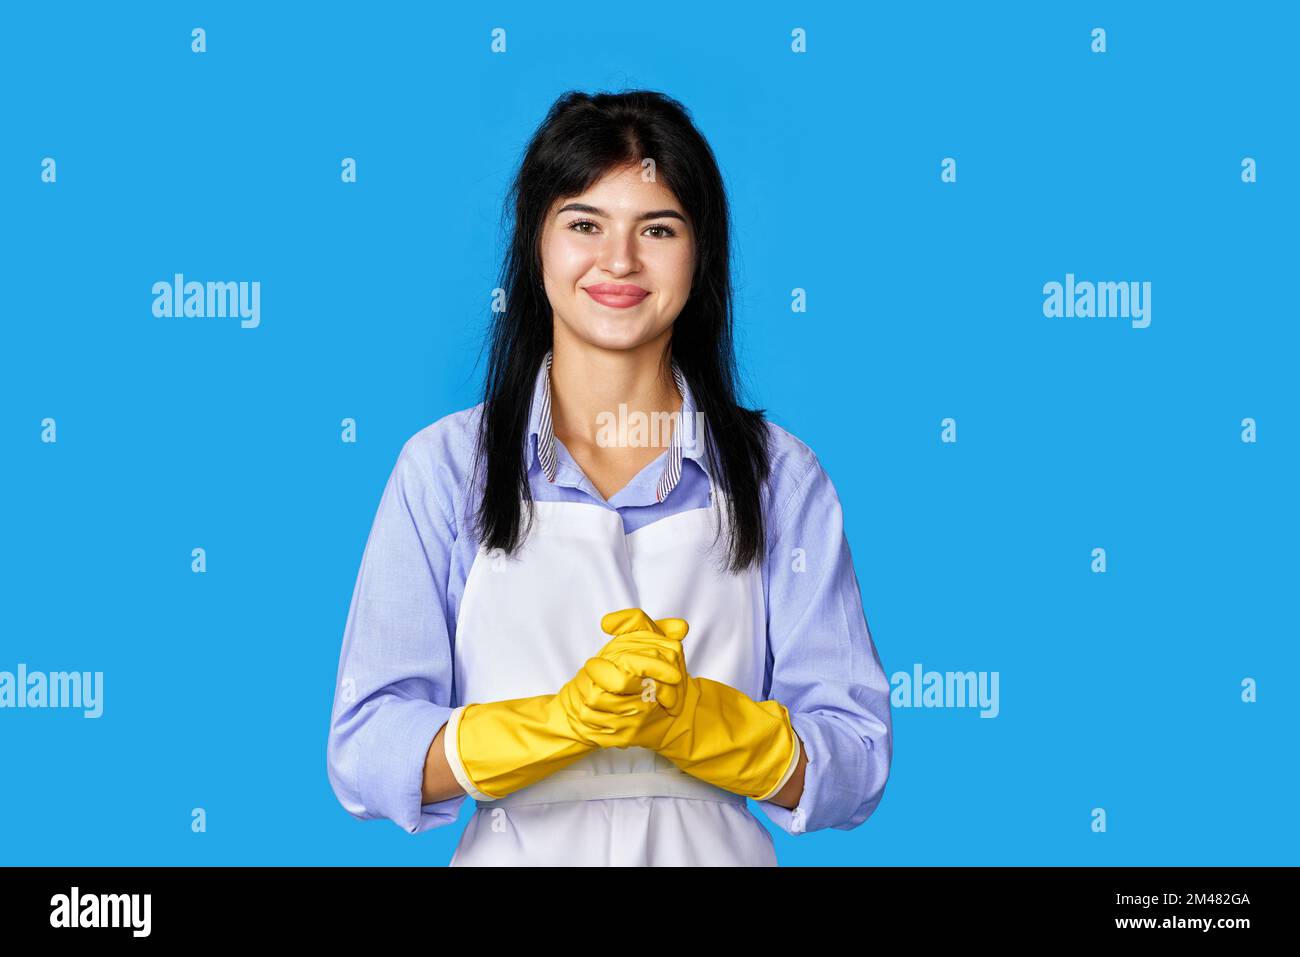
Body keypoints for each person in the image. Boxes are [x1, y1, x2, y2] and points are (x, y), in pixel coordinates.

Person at [326, 89, 892, 866]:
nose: (619, 261)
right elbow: (365, 750)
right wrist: (557, 722)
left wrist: (711, 725)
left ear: (702, 252)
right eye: (585, 224)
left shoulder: (780, 478)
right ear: (537, 244)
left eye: (657, 229)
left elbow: (858, 760)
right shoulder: (445, 470)